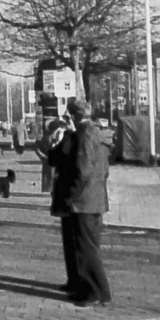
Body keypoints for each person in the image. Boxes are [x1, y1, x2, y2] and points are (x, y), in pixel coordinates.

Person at [50, 100, 112, 307]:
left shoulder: (86, 134)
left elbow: (82, 169)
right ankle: (82, 285)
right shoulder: (97, 134)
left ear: (73, 115)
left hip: (83, 200)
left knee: (86, 247)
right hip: (92, 198)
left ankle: (96, 290)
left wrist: (72, 194)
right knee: (81, 245)